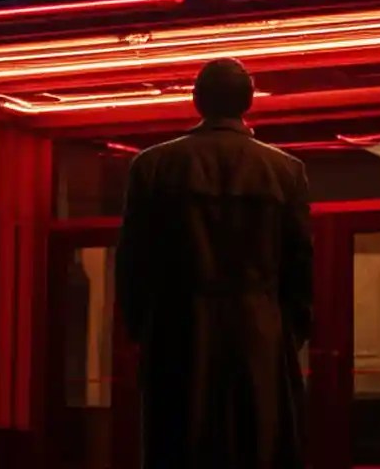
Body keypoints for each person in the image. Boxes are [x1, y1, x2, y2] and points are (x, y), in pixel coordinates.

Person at [115, 58, 313, 469]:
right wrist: (282, 329)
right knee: (256, 443)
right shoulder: (285, 171)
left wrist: (145, 328)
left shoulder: (152, 167)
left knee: (180, 443)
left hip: (179, 326)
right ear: (249, 102)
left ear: (197, 100)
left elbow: (134, 264)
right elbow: (299, 270)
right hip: (259, 327)